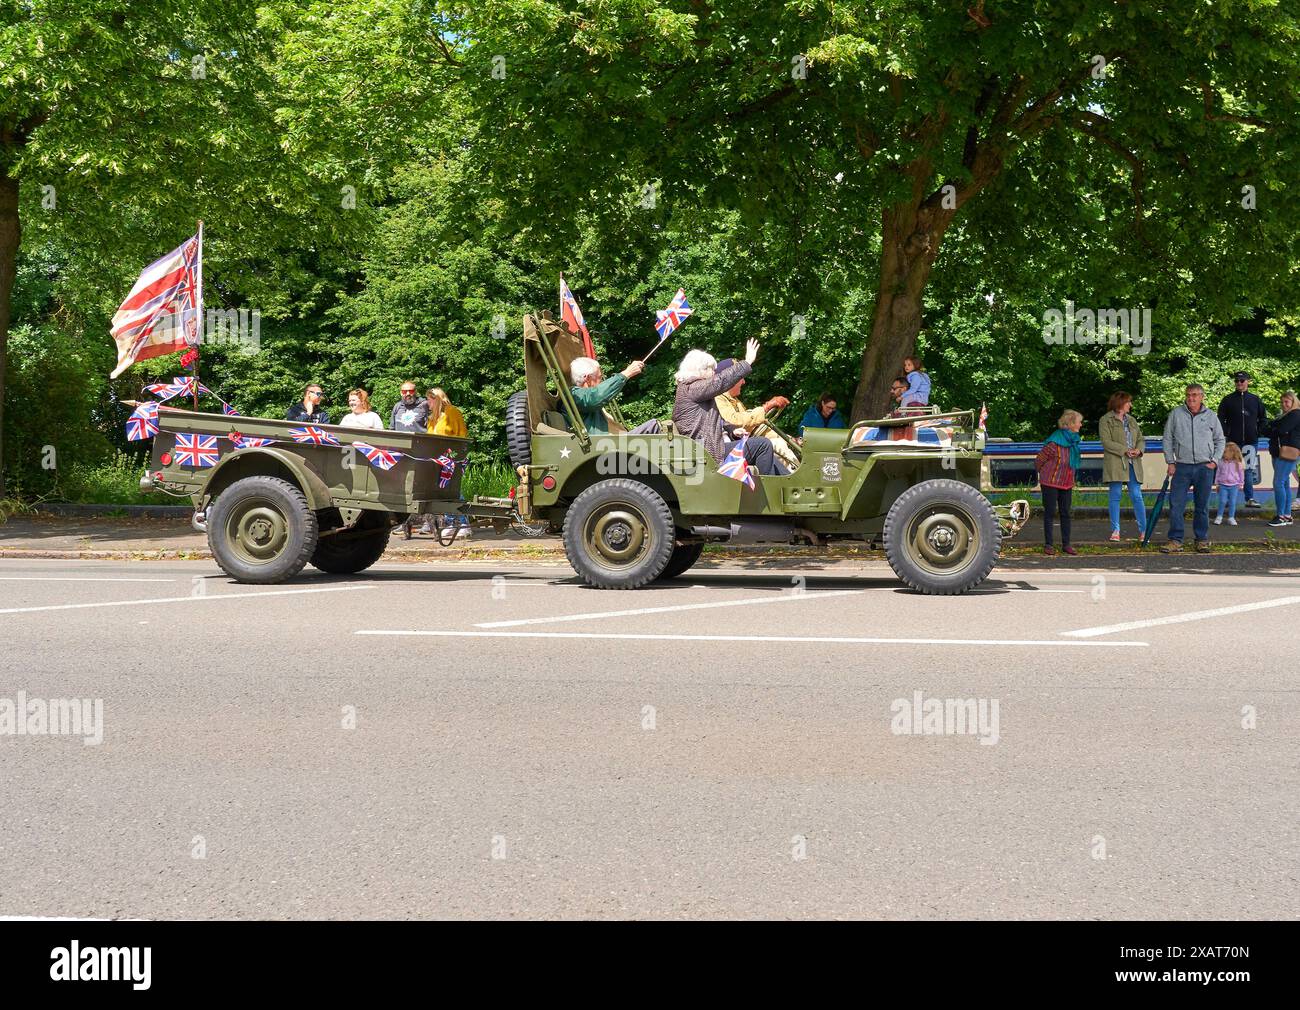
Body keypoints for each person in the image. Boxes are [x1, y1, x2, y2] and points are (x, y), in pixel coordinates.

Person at [673, 341, 788, 476]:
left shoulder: (692, 389)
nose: (713, 374)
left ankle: (790, 485)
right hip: (707, 453)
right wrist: (747, 362)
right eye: (711, 369)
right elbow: (720, 381)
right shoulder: (691, 388)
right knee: (763, 445)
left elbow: (716, 420)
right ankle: (767, 495)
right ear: (700, 370)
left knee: (764, 450)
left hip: (710, 449)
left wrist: (733, 432)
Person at [1161, 383, 1226, 553]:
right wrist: (1170, 461)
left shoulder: (1211, 416)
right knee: (1176, 504)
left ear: (1202, 396)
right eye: (1189, 394)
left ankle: (1202, 540)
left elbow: (1220, 440)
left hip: (1205, 467)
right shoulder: (1175, 414)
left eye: (1195, 394)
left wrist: (1214, 461)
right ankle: (1175, 540)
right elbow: (1167, 439)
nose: (1191, 398)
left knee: (1202, 505)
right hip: (1182, 466)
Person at [712, 359, 797, 469]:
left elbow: (755, 428)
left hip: (747, 443)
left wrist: (789, 439)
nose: (743, 382)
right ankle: (799, 482)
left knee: (783, 443)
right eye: (740, 378)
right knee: (778, 445)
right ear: (730, 379)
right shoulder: (718, 398)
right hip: (732, 449)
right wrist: (766, 408)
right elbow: (736, 422)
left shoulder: (734, 401)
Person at [1098, 391, 1147, 542]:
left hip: (1133, 463)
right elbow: (1106, 442)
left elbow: (1140, 439)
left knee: (1137, 496)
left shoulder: (1132, 420)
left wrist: (1139, 450)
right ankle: (1115, 531)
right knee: (1115, 496)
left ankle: (1144, 531)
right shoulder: (1105, 420)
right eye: (1128, 402)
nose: (1130, 405)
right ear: (1120, 404)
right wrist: (1125, 450)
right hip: (1116, 463)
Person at [569, 356, 661, 435]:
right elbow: (596, 396)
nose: (602, 382)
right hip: (603, 448)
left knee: (659, 426)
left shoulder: (586, 400)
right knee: (653, 426)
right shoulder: (575, 394)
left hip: (612, 444)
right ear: (588, 379)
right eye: (600, 378)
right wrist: (627, 373)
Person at [1217, 371, 1268, 508]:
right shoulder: (1227, 400)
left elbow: (1263, 418)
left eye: (1242, 380)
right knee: (1229, 469)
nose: (1239, 383)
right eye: (1237, 381)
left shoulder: (1255, 399)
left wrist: (1258, 431)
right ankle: (1226, 500)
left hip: (1251, 441)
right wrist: (1226, 431)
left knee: (1248, 470)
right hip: (1232, 442)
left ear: (1248, 382)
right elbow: (1220, 418)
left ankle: (1249, 498)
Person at [1036, 410, 1082, 556]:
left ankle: (1066, 544)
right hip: (1050, 482)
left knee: (1066, 513)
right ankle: (1048, 545)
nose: (1080, 425)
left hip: (1067, 482)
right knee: (1049, 513)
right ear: (1070, 424)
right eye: (1078, 422)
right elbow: (1039, 460)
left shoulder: (1074, 440)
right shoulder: (1053, 442)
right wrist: (1045, 474)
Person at [1262, 389, 1300, 527]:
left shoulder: (1295, 414)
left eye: (1286, 401)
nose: (1283, 404)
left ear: (1293, 402)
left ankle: (1281, 516)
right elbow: (1272, 429)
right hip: (1279, 452)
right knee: (1284, 483)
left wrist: (1271, 428)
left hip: (1288, 452)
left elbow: (1281, 430)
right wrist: (1272, 428)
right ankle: (1287, 515)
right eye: (1282, 402)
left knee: (1278, 482)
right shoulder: (1284, 416)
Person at [1214, 442, 1246, 526]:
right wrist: (1217, 483)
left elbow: (1241, 474)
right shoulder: (1221, 462)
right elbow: (1218, 472)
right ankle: (1219, 516)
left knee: (1232, 502)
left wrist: (1241, 483)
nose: (1223, 454)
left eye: (1225, 452)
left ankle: (1231, 517)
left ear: (1232, 453)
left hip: (1234, 486)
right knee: (1222, 501)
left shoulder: (1238, 463)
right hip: (1223, 485)